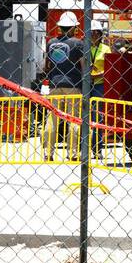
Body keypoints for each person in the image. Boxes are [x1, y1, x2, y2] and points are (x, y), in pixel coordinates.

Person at [40, 12, 86, 161]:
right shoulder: (78, 43)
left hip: (55, 84)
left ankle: (48, 153)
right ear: (73, 28)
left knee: (51, 119)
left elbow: (46, 65)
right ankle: (72, 153)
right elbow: (83, 66)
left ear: (60, 27)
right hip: (73, 84)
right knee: (73, 119)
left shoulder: (51, 43)